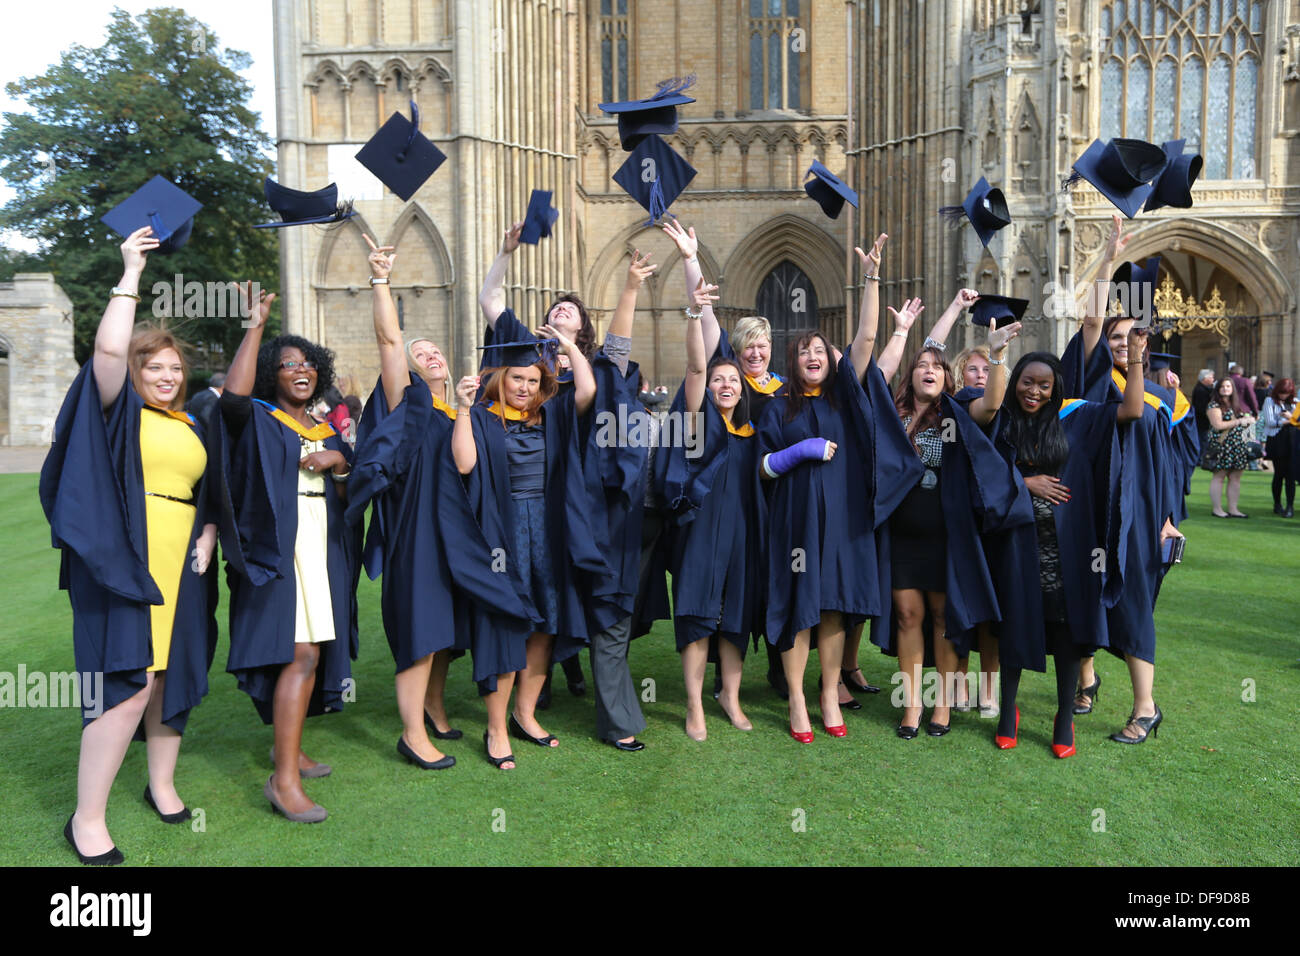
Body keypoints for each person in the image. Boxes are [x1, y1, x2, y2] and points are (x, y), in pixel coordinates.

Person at [41, 225, 219, 863]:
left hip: (182, 563)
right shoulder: (117, 408)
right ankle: (86, 819)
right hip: (125, 558)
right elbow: (109, 351)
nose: (168, 376)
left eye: (176, 368)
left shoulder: (191, 420)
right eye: (156, 367)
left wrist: (210, 529)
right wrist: (130, 274)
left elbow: (209, 489)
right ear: (136, 371)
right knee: (128, 683)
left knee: (170, 680)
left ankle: (162, 786)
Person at [344, 234, 532, 771]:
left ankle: (434, 708)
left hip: (458, 535)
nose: (430, 354)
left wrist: (470, 408)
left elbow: (468, 464)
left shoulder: (455, 409)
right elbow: (387, 338)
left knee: (445, 631)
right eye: (418, 353)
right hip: (417, 530)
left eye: (435, 351)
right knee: (423, 631)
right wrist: (381, 280)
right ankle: (411, 735)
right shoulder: (410, 400)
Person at [757, 232, 920, 743]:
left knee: (831, 606)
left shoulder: (845, 400)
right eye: (804, 350)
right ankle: (798, 702)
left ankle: (830, 692)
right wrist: (796, 454)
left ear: (832, 362)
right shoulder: (778, 406)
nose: (813, 356)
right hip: (795, 522)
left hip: (841, 522)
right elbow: (761, 468)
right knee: (796, 606)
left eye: (821, 351)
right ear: (794, 359)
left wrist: (871, 277)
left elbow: (868, 340)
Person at [219, 282, 355, 822]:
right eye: (288, 364)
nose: (302, 370)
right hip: (280, 543)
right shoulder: (257, 417)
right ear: (271, 374)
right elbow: (230, 400)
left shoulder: (321, 427)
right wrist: (255, 325)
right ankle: (284, 781)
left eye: (310, 365)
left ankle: (289, 749)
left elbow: (351, 473)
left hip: (322, 542)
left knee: (313, 650)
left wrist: (336, 461)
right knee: (299, 654)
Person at [871, 287, 1026, 739]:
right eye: (921, 366)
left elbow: (993, 405)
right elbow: (900, 361)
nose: (929, 370)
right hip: (901, 534)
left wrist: (996, 357)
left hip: (947, 535)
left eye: (936, 368)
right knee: (906, 616)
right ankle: (911, 706)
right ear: (910, 376)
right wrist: (951, 310)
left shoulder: (955, 414)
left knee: (942, 617)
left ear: (946, 379)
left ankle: (942, 704)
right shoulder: (892, 415)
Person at [451, 327, 604, 768]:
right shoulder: (481, 416)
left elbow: (588, 390)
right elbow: (464, 463)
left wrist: (570, 346)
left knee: (546, 624)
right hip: (503, 530)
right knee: (506, 624)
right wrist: (462, 409)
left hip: (548, 530)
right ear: (500, 378)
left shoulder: (551, 415)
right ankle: (496, 728)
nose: (525, 387)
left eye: (533, 381)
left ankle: (525, 713)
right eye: (518, 378)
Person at [984, 347, 1148, 756]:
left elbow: (1132, 410)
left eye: (1044, 384)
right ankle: (1008, 711)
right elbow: (983, 476)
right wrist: (1027, 483)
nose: (1034, 391)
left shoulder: (1080, 416)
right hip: (1017, 542)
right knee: (1016, 623)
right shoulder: (1002, 421)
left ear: (1056, 387)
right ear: (1016, 381)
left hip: (1069, 546)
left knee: (1067, 629)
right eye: (1027, 382)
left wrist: (1137, 359)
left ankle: (1063, 716)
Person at [1064, 214, 1185, 743]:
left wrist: (1166, 520)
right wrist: (1108, 257)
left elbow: (1164, 467)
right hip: (1090, 505)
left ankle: (1145, 707)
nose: (1119, 341)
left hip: (1136, 513)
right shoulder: (1091, 382)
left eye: (1130, 336)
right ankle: (1086, 678)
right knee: (1083, 592)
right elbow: (1090, 321)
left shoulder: (1155, 402)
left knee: (1134, 601)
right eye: (1115, 336)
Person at [477, 221, 590, 708]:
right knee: (516, 590)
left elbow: (586, 395)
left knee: (550, 592)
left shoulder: (584, 369)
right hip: (510, 498)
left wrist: (569, 354)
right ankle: (516, 690)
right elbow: (490, 299)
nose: (564, 307)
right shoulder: (523, 347)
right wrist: (506, 252)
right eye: (558, 305)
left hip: (557, 496)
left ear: (583, 330)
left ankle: (538, 688)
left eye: (575, 308)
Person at [662, 276, 762, 740]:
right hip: (700, 531)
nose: (726, 384)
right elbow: (697, 367)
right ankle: (694, 705)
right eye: (720, 380)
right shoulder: (700, 423)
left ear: (744, 390)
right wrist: (694, 307)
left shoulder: (750, 432)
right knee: (698, 614)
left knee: (735, 614)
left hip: (741, 533)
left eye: (733, 381)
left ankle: (731, 697)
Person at [1205, 376, 1256, 518]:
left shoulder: (1237, 405)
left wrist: (1248, 421)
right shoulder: (1214, 405)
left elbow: (1244, 424)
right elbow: (1218, 425)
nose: (1225, 389)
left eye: (1228, 386)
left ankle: (1233, 509)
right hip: (1222, 445)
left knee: (1235, 478)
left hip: (1238, 445)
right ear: (1217, 389)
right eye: (1222, 386)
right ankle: (1217, 509)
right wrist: (1240, 421)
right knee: (1219, 476)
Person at [1262, 377, 1298, 516]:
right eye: (1282, 393)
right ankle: (1277, 504)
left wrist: (1290, 418)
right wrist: (1291, 420)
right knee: (1279, 474)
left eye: (1287, 393)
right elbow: (1270, 421)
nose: (1284, 395)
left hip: (1293, 440)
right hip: (1277, 440)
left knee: (1291, 475)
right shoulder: (1269, 401)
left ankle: (1290, 506)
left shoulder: (1296, 403)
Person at [1191, 369, 1216, 443]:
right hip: (1202, 422)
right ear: (1205, 379)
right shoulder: (1201, 390)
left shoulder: (1205, 388)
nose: (1213, 379)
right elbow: (1201, 407)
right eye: (1211, 377)